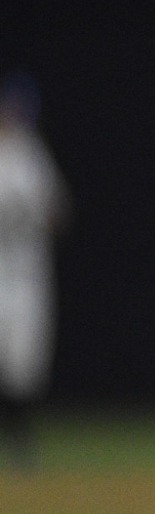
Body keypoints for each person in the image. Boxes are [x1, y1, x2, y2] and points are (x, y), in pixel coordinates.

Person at [0, 71, 68, 473]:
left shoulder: (33, 155)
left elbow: (59, 213)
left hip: (27, 279)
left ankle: (21, 444)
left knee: (24, 368)